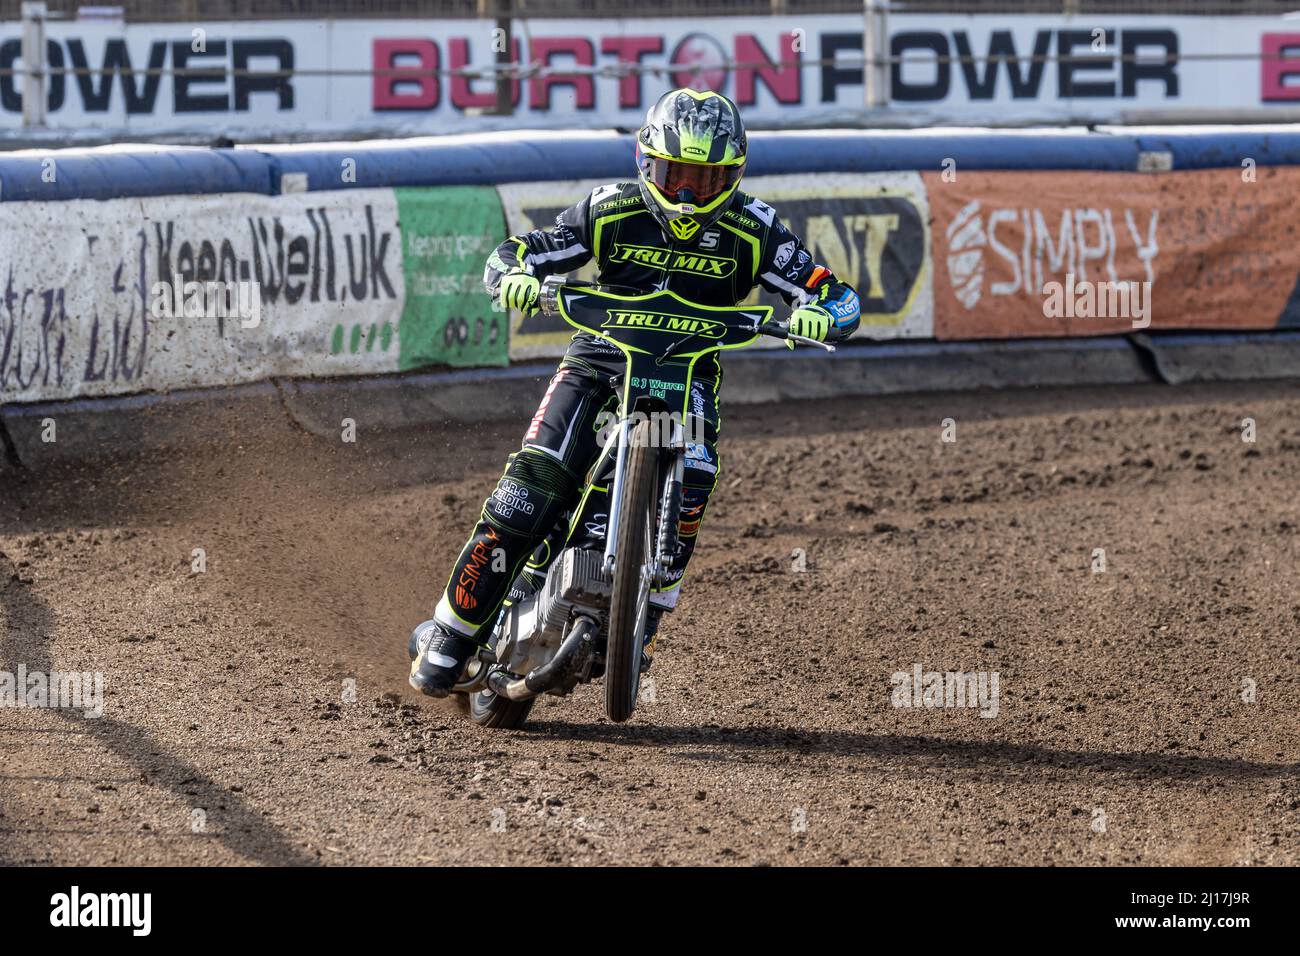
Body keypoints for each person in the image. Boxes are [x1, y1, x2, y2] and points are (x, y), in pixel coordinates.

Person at [409, 88, 861, 697]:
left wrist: (823, 313)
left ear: (733, 177)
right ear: (647, 163)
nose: (686, 195)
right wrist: (515, 276)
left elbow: (835, 292)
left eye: (704, 180)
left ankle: (641, 621)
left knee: (696, 477)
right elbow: (524, 249)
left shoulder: (756, 230)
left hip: (686, 375)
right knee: (532, 484)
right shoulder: (610, 209)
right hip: (597, 363)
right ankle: (450, 631)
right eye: (676, 176)